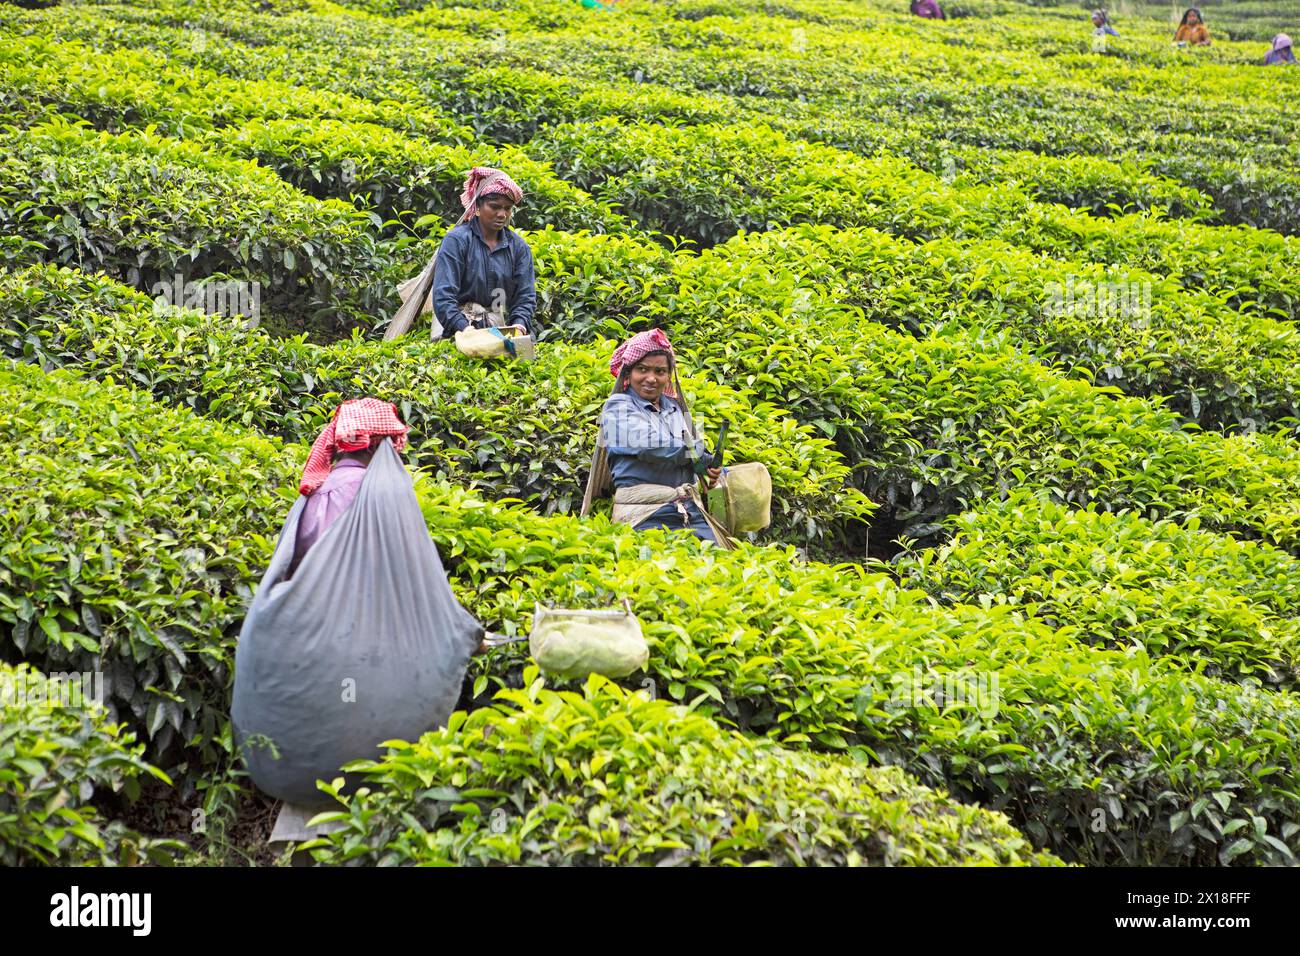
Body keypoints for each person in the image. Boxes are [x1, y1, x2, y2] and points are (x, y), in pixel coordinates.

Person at [592, 329, 730, 546]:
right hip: (644, 514)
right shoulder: (617, 408)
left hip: (689, 511)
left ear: (668, 377)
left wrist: (708, 468)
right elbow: (651, 445)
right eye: (642, 369)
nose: (651, 378)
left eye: (660, 371)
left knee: (721, 562)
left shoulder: (674, 409)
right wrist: (697, 454)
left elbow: (692, 453)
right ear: (628, 374)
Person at [430, 167, 536, 339]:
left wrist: (519, 325)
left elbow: (525, 297)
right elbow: (443, 296)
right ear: (478, 206)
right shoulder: (457, 241)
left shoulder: (519, 248)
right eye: (494, 207)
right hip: (456, 329)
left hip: (498, 328)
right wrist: (464, 329)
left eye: (507, 208)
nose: (502, 214)